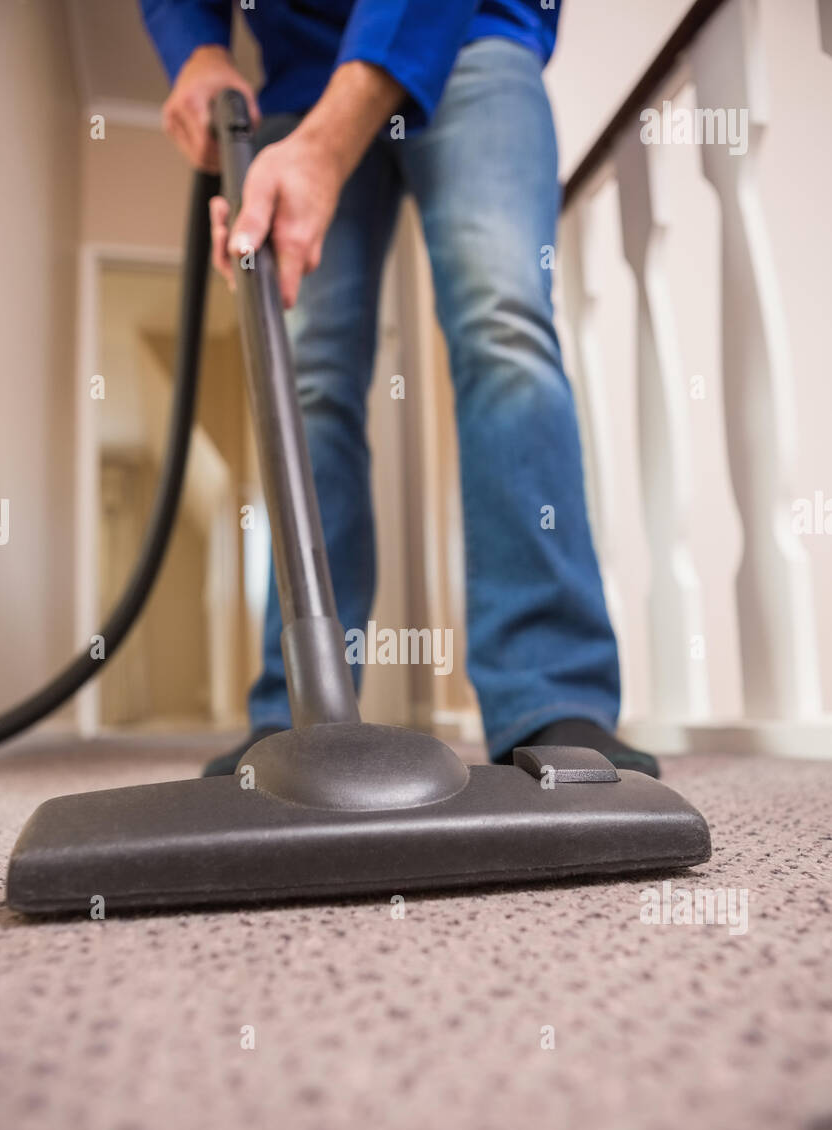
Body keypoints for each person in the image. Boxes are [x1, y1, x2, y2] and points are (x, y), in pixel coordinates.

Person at [141, 0, 659, 778]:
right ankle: (298, 712)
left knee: (503, 330)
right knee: (306, 372)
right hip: (299, 76)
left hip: (472, 34)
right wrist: (198, 52)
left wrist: (326, 144)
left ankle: (552, 696)